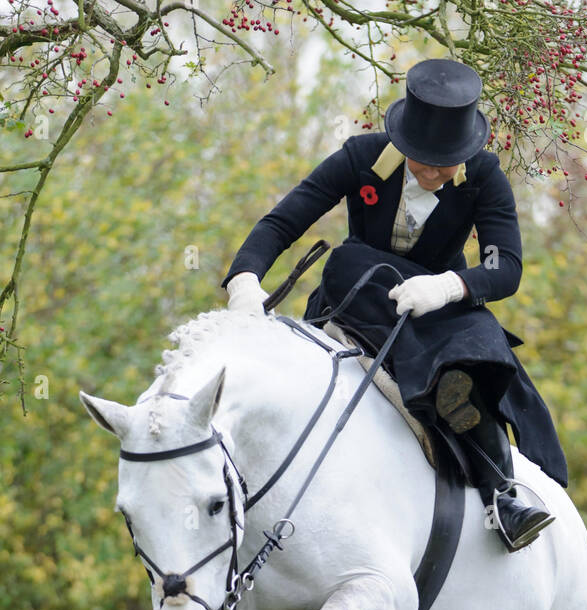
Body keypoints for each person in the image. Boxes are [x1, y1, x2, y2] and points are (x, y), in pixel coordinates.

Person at [222, 58, 566, 550]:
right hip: (358, 296)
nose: (429, 171)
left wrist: (448, 287)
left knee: (477, 352)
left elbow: (505, 266)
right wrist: (245, 280)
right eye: (420, 157)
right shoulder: (361, 156)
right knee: (348, 260)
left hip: (433, 307)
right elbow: (282, 222)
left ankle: (503, 494)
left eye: (441, 163)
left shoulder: (484, 177)